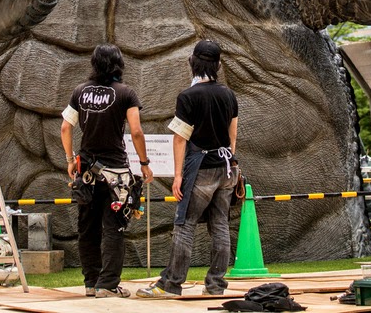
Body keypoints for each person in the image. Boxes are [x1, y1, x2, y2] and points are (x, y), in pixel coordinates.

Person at [138, 39, 239, 298]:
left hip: (199, 168)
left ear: (192, 63)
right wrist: (229, 162)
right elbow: (233, 136)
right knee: (220, 225)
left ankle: (171, 284)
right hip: (227, 167)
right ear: (217, 65)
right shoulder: (228, 95)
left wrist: (178, 175)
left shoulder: (188, 96)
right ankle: (216, 285)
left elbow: (180, 137)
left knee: (185, 224)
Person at [60, 43, 153, 299]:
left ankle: (91, 282)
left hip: (86, 172)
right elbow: (136, 131)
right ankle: (108, 285)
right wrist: (144, 163)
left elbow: (65, 128)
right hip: (117, 174)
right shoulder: (126, 93)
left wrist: (70, 159)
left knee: (87, 228)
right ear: (118, 64)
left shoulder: (80, 92)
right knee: (114, 227)